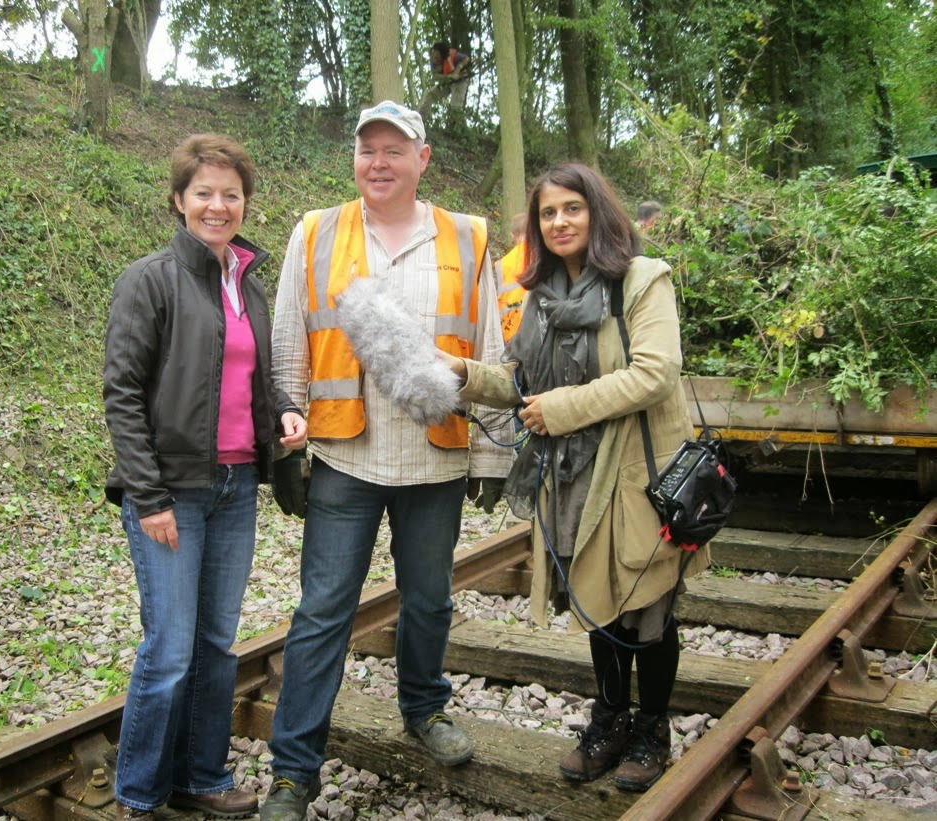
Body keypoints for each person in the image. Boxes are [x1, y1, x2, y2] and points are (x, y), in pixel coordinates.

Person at [262, 101, 513, 821]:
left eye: (394, 150)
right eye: (367, 149)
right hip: (344, 453)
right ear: (355, 158)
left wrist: (492, 452)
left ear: (422, 159)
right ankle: (293, 771)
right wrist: (288, 423)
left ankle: (425, 708)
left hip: (435, 460)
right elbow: (289, 336)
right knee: (322, 611)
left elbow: (491, 349)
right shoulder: (316, 231)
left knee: (429, 598)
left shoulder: (468, 238)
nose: (379, 161)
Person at [441, 163, 710, 793]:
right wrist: (464, 374)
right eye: (547, 213)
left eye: (572, 208)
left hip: (637, 475)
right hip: (571, 478)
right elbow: (525, 383)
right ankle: (608, 721)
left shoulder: (642, 280)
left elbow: (656, 373)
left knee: (646, 607)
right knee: (597, 605)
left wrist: (560, 410)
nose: (559, 221)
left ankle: (651, 729)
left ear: (597, 212)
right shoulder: (540, 298)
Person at [103, 133, 308, 821]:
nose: (218, 205)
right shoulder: (150, 280)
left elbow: (259, 380)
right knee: (168, 650)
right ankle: (138, 793)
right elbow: (123, 395)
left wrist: (282, 414)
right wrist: (148, 495)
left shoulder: (248, 285)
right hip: (172, 495)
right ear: (178, 200)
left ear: (245, 203)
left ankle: (200, 773)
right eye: (204, 193)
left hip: (234, 488)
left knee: (216, 645)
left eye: (231, 194)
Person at [495, 212, 528, 343]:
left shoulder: (502, 263)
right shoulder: (543, 256)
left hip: (509, 329)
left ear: (513, 236)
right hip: (535, 326)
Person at [419, 41, 472, 114]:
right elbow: (436, 76)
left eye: (437, 54)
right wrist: (450, 76)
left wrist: (458, 69)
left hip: (461, 80)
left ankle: (456, 122)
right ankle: (421, 118)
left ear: (442, 56)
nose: (434, 56)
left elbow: (466, 58)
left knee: (456, 106)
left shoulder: (453, 56)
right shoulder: (433, 61)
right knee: (430, 95)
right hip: (448, 81)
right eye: (433, 52)